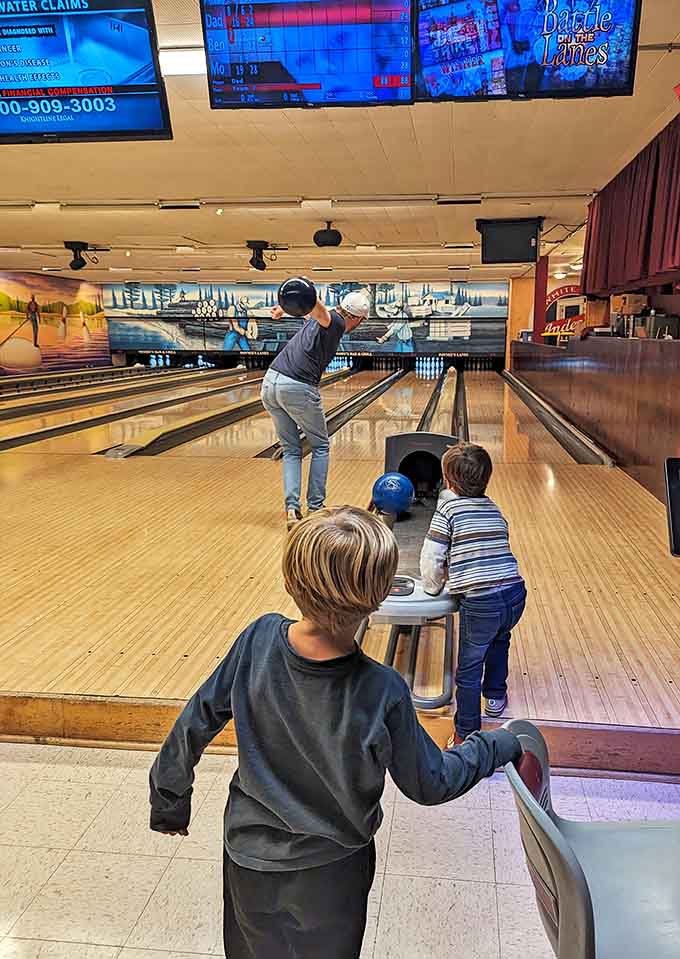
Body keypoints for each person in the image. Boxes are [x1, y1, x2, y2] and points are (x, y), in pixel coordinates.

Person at [149, 507, 522, 959]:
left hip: (250, 859)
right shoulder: (381, 690)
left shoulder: (258, 639)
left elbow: (196, 718)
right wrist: (495, 745)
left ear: (289, 582)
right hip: (333, 874)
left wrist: (170, 799)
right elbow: (432, 782)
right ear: (380, 596)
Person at [419, 443, 526, 747]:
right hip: (515, 593)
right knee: (499, 642)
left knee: (469, 666)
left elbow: (432, 555)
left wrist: (432, 586)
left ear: (448, 482)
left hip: (482, 602)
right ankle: (494, 697)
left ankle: (466, 733)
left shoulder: (448, 509)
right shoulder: (493, 507)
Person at [262, 290, 370, 529]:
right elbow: (318, 310)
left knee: (291, 449)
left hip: (270, 382)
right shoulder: (337, 323)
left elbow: (310, 312)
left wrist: (284, 308)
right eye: (361, 322)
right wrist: (305, 291)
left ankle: (291, 509)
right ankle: (315, 508)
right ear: (357, 318)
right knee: (320, 446)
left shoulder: (324, 319)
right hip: (297, 386)